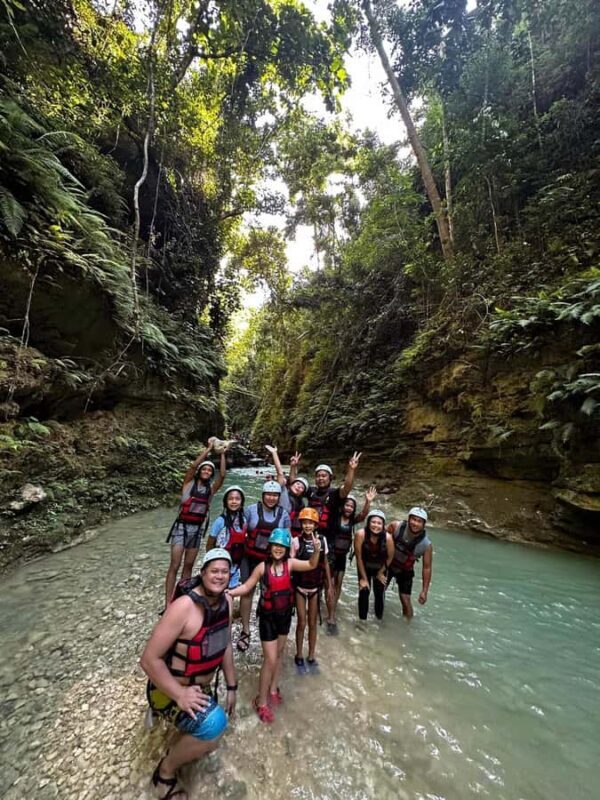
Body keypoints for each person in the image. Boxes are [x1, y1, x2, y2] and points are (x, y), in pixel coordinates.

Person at [141, 548, 237, 799]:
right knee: (215, 726)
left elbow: (224, 643)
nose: (219, 576)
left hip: (198, 686)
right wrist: (181, 694)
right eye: (214, 571)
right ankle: (164, 773)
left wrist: (232, 686)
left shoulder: (227, 601)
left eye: (224, 572)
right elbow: (149, 660)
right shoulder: (184, 607)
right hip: (169, 690)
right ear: (202, 573)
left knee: (211, 722)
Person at [228, 528, 321, 722]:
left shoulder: (291, 563)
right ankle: (260, 702)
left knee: (278, 655)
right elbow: (247, 586)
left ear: (287, 549)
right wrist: (228, 593)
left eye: (282, 546)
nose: (278, 549)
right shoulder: (262, 568)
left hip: (284, 616)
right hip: (268, 619)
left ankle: (272, 689)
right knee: (270, 660)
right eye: (275, 546)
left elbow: (312, 564)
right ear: (269, 547)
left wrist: (317, 550)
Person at [164, 440, 227, 608]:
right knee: (175, 565)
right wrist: (208, 449)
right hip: (181, 528)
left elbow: (222, 476)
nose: (206, 471)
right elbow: (192, 466)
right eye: (204, 469)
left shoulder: (210, 491)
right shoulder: (188, 484)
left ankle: (181, 599)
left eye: (209, 470)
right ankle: (167, 603)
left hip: (197, 530)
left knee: (188, 565)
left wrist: (221, 452)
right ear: (200, 472)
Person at [236, 480, 291, 653]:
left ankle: (268, 628)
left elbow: (287, 540)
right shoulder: (250, 510)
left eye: (275, 495)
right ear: (262, 495)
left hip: (270, 561)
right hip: (249, 558)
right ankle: (245, 630)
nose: (271, 498)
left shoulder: (283, 515)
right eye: (268, 494)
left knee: (270, 593)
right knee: (247, 592)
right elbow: (239, 532)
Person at [326, 486, 377, 634]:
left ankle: (332, 612)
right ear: (342, 507)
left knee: (338, 584)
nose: (348, 508)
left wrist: (368, 501)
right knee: (328, 585)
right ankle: (330, 615)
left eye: (351, 506)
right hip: (330, 556)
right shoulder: (334, 517)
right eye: (346, 505)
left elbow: (363, 515)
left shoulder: (352, 521)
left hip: (341, 557)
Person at [291, 507, 333, 674]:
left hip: (315, 587)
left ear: (316, 525)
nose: (308, 526)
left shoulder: (322, 541)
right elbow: (291, 564)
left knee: (313, 623)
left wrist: (329, 586)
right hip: (300, 587)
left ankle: (311, 655)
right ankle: (299, 654)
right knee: (302, 622)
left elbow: (326, 563)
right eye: (305, 523)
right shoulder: (296, 541)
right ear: (301, 524)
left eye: (311, 523)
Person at [386, 507, 433, 620]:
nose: (415, 523)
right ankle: (375, 618)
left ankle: (407, 626)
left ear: (424, 524)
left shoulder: (426, 545)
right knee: (379, 591)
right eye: (413, 519)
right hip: (388, 564)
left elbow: (427, 568)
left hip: (405, 570)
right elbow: (380, 537)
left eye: (419, 521)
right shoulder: (395, 526)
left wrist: (424, 591)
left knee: (405, 600)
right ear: (408, 519)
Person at [354, 509, 394, 621]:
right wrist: (363, 578)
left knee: (380, 593)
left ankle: (379, 621)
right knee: (364, 591)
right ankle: (362, 622)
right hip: (364, 566)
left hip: (380, 567)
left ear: (383, 525)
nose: (376, 525)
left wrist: (381, 572)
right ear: (368, 523)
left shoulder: (388, 538)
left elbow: (390, 557)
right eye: (373, 522)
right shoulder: (360, 534)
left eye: (379, 523)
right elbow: (359, 558)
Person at [206, 485, 247, 589]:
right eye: (230, 499)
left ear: (241, 502)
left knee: (231, 592)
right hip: (221, 563)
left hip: (235, 564)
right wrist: (210, 563)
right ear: (225, 502)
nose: (234, 501)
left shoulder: (244, 520)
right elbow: (210, 543)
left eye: (237, 499)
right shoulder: (220, 521)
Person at [266, 446, 308, 537]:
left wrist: (293, 467)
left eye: (302, 488)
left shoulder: (301, 504)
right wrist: (274, 453)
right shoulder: (283, 491)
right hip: (276, 529)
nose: (299, 487)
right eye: (297, 484)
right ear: (292, 484)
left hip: (290, 534)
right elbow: (280, 473)